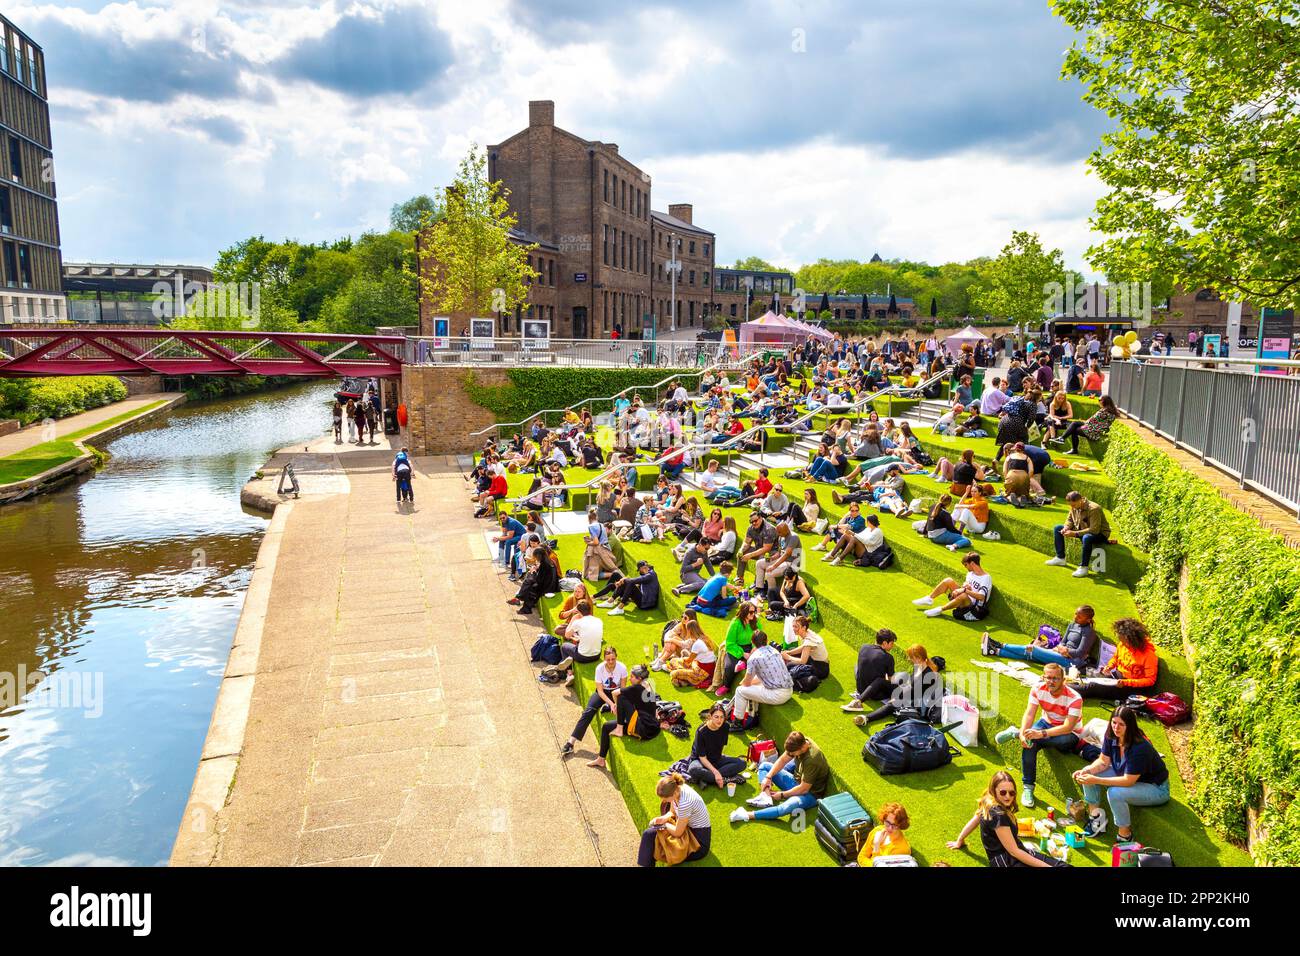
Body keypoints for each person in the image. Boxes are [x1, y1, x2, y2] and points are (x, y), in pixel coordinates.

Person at [1071, 705, 1170, 841]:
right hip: (1130, 776)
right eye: (1114, 722)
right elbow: (1103, 762)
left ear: (1130, 725)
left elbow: (1128, 781)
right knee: (1087, 775)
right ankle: (1096, 820)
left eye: (1121, 724)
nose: (1116, 727)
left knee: (1114, 793)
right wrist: (1086, 771)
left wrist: (1096, 780)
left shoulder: (1140, 747)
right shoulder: (1111, 735)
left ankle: (1125, 835)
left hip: (1156, 788)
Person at [992, 663, 1082, 807]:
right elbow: (1029, 714)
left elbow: (1068, 727)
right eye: (1048, 678)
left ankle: (1014, 733)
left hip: (1070, 732)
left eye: (1056, 678)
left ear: (1063, 680)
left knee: (1063, 742)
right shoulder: (1037, 689)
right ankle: (1028, 787)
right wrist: (1024, 734)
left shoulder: (1075, 698)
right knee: (1029, 743)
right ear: (1043, 677)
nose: (1051, 681)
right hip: (1046, 723)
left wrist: (1040, 734)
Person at [947, 771, 1067, 867]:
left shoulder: (988, 801)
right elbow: (1014, 851)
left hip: (1018, 851)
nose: (1008, 796)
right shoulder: (998, 815)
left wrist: (960, 840)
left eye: (1011, 793)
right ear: (994, 790)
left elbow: (975, 820)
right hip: (1005, 861)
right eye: (1003, 792)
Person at [729, 731, 830, 825]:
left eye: (793, 754)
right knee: (764, 766)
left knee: (786, 807)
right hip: (796, 782)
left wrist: (782, 795)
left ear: (802, 748)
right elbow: (782, 760)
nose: (791, 755)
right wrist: (768, 777)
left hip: (810, 794)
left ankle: (747, 815)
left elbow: (804, 788)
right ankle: (766, 798)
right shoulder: (801, 741)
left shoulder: (812, 760)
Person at [982, 605, 1098, 673]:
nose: (1075, 617)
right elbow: (1063, 642)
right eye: (1075, 614)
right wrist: (1060, 648)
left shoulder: (1089, 632)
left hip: (1071, 662)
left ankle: (999, 644)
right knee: (1029, 655)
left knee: (1033, 649)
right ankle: (994, 651)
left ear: (1088, 620)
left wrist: (1065, 651)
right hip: (1059, 652)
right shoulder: (1072, 624)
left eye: (1079, 616)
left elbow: (1081, 652)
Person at [588, 664, 660, 769]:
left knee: (621, 696)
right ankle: (601, 759)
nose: (630, 679)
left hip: (642, 728)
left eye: (632, 677)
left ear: (639, 679)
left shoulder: (637, 688)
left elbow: (614, 693)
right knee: (606, 726)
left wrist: (616, 707)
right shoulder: (649, 683)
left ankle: (619, 729)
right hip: (651, 727)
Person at [559, 646, 626, 754]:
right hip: (602, 693)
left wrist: (616, 703)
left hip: (616, 693)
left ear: (616, 657)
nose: (611, 662)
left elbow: (622, 689)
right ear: (604, 659)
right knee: (588, 711)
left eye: (613, 659)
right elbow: (600, 691)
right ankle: (571, 742)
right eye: (608, 659)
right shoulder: (599, 668)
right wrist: (611, 703)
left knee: (623, 708)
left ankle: (608, 707)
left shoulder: (622, 668)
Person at [637, 772, 712, 867]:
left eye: (665, 798)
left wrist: (664, 825)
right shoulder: (677, 788)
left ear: (675, 792)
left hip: (698, 842)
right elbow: (672, 812)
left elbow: (677, 832)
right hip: (686, 827)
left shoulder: (685, 802)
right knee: (648, 834)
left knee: (657, 845)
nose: (663, 801)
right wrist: (662, 819)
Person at [1073, 617, 1159, 699]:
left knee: (1092, 686)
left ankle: (1064, 690)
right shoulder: (1122, 645)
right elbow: (1116, 658)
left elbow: (1150, 680)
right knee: (1089, 680)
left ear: (1132, 640)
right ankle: (1065, 686)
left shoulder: (1149, 655)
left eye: (1123, 640)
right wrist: (1110, 666)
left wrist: (1126, 682)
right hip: (1117, 678)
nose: (1121, 642)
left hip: (1132, 688)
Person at [1046, 491, 1112, 577]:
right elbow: (1070, 520)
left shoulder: (1094, 509)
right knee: (1058, 528)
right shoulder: (1073, 506)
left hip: (1100, 533)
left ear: (1080, 500)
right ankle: (1060, 558)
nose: (1072, 507)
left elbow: (1094, 530)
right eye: (1070, 505)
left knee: (1086, 538)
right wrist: (1066, 527)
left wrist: (1074, 533)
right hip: (1082, 528)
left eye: (1073, 505)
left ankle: (1083, 568)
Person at [912, 551, 992, 620]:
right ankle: (929, 598)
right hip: (965, 600)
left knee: (964, 595)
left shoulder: (986, 578)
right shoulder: (970, 574)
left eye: (966, 565)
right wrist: (966, 586)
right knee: (948, 581)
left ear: (972, 563)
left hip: (975, 609)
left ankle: (940, 609)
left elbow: (982, 597)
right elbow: (968, 586)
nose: (965, 567)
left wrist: (964, 590)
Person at [687, 703, 747, 788]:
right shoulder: (701, 731)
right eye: (716, 717)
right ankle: (725, 778)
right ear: (710, 716)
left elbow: (721, 747)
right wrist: (716, 772)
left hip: (716, 758)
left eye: (722, 717)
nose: (719, 720)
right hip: (700, 760)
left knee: (742, 763)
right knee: (693, 770)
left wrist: (717, 766)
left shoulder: (725, 726)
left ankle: (706, 778)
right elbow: (702, 758)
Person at [550, 600, 605, 686]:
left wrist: (573, 619)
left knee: (564, 646)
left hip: (582, 656)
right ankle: (571, 657)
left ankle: (569, 674)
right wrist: (580, 638)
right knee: (577, 643)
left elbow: (567, 635)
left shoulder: (577, 622)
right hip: (597, 655)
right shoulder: (599, 621)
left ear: (578, 611)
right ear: (589, 610)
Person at [710, 600, 759, 696]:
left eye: (754, 611)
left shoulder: (756, 621)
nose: (753, 614)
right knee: (729, 666)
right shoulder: (735, 623)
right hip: (735, 647)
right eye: (751, 612)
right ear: (744, 612)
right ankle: (726, 686)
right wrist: (743, 654)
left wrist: (754, 648)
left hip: (751, 646)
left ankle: (743, 664)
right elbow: (730, 643)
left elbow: (759, 636)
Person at [843, 628, 897, 712]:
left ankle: (860, 697)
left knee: (857, 665)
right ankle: (858, 702)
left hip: (860, 688)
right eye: (892, 643)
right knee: (882, 681)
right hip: (875, 694)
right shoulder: (888, 657)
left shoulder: (864, 647)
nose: (893, 646)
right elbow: (890, 679)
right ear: (885, 643)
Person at [595, 559, 660, 616]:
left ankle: (618, 607)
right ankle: (610, 602)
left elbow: (632, 581)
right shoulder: (650, 573)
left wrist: (623, 579)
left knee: (629, 582)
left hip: (646, 604)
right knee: (627, 582)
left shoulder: (649, 575)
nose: (640, 572)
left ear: (642, 568)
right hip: (647, 601)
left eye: (640, 570)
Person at [508, 546, 560, 616]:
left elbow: (539, 580)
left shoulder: (545, 564)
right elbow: (543, 576)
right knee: (529, 580)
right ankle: (519, 598)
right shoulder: (549, 561)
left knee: (530, 584)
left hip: (548, 587)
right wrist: (536, 569)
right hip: (552, 585)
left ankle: (522, 602)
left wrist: (534, 571)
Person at [753, 521, 801, 595]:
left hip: (791, 563)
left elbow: (787, 554)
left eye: (779, 532)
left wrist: (773, 566)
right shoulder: (781, 536)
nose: (778, 534)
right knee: (759, 563)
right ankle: (760, 588)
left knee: (769, 572)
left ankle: (772, 593)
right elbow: (780, 551)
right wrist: (773, 557)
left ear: (787, 530)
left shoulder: (794, 537)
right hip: (782, 560)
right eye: (777, 532)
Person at [781, 614, 830, 682]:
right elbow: (803, 647)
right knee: (791, 654)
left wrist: (788, 657)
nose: (794, 629)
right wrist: (789, 652)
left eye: (796, 627)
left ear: (803, 627)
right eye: (793, 626)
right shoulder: (807, 632)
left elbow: (802, 661)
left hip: (820, 669)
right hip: (816, 661)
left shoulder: (808, 641)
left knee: (790, 666)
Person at [734, 512, 777, 587]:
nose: (753, 523)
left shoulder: (769, 529)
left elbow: (766, 548)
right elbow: (747, 542)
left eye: (755, 520)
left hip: (771, 553)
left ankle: (757, 584)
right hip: (759, 550)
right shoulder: (751, 528)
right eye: (751, 522)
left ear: (760, 518)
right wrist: (741, 550)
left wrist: (750, 555)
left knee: (761, 559)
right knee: (742, 553)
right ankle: (740, 578)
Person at [493, 512, 527, 576]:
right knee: (501, 541)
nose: (502, 519)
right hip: (515, 535)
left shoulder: (511, 522)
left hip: (521, 536)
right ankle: (501, 557)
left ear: (507, 516)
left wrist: (498, 538)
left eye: (503, 517)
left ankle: (507, 561)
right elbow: (504, 534)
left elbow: (510, 537)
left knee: (508, 542)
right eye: (501, 518)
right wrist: (498, 538)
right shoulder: (503, 522)